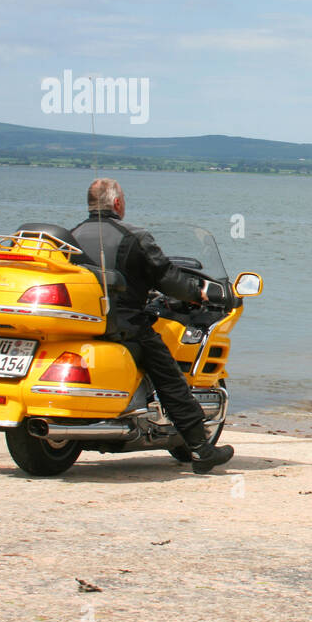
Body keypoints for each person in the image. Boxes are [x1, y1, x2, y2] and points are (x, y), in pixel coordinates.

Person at [71, 178, 234, 473]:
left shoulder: (70, 237)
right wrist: (196, 293)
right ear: (117, 203)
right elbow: (166, 276)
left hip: (80, 324)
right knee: (168, 375)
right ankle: (199, 448)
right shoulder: (133, 236)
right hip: (124, 326)